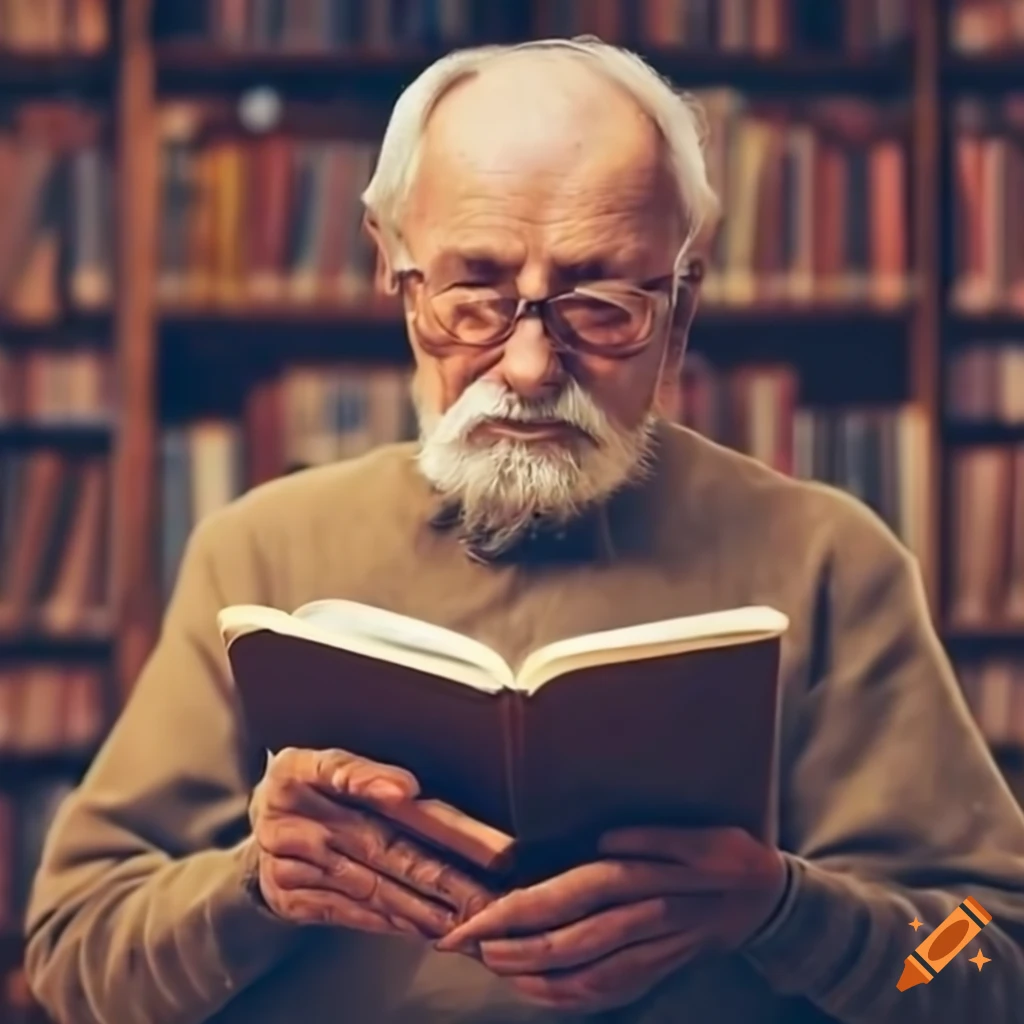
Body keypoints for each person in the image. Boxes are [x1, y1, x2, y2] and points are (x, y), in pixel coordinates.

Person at [23, 37, 1024, 1024]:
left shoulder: (829, 561)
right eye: (476, 294)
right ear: (396, 277)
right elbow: (74, 960)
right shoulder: (259, 552)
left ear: (679, 310)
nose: (532, 364)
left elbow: (985, 954)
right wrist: (255, 886)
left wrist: (786, 911)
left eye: (599, 303)